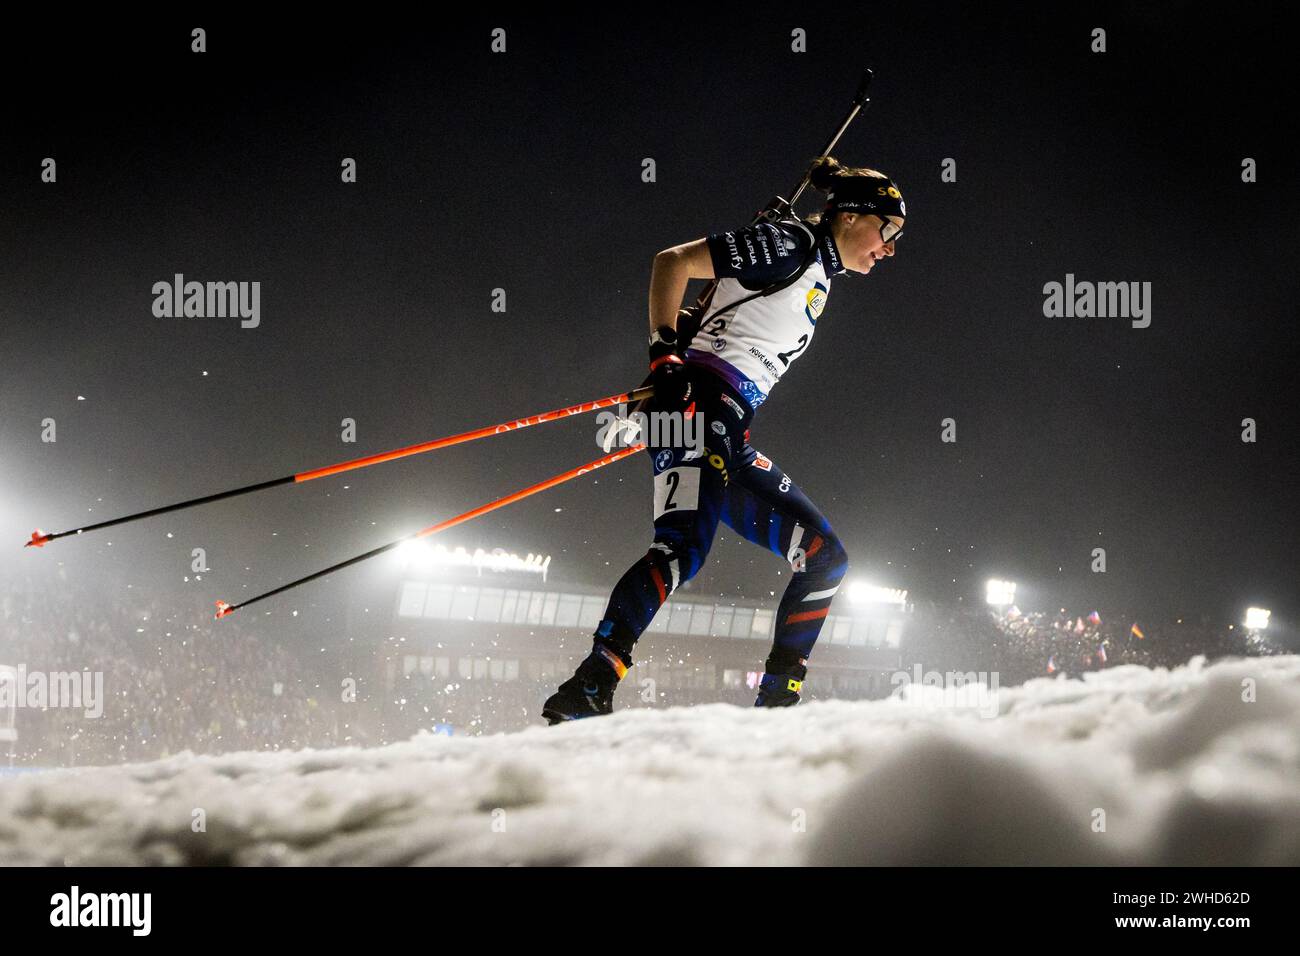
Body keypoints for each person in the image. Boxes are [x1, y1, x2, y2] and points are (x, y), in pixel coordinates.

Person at [543, 156, 906, 723]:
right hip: (697, 406)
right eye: (888, 231)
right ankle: (593, 682)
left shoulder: (810, 264)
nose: (889, 248)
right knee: (682, 549)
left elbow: (716, 313)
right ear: (854, 216)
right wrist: (662, 357)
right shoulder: (793, 246)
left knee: (825, 557)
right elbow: (673, 262)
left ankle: (776, 707)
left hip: (726, 425)